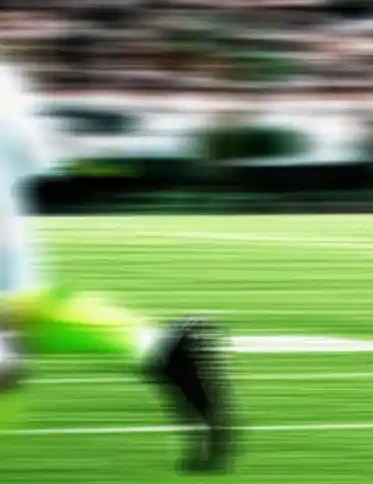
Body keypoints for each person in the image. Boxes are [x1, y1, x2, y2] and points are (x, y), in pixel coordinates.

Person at [0, 61, 233, 471]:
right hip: (12, 250)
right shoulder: (6, 78)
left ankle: (162, 348)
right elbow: (38, 161)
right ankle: (160, 348)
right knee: (20, 328)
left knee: (10, 352)